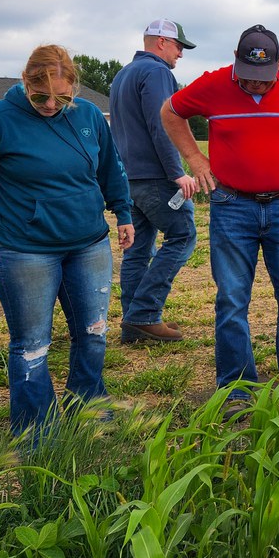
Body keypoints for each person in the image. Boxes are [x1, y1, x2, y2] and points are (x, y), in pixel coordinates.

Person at [0, 45, 134, 439]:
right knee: (32, 344)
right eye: (41, 97)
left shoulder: (87, 117)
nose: (52, 105)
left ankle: (88, 405)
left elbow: (110, 168)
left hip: (88, 244)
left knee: (93, 333)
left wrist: (123, 212)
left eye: (63, 98)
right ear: (25, 82)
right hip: (23, 249)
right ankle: (37, 429)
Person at [161, 24, 279, 403]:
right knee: (231, 301)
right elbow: (171, 112)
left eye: (263, 79)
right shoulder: (212, 84)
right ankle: (237, 391)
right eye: (247, 78)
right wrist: (194, 157)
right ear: (235, 62)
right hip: (231, 206)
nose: (255, 85)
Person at [109, 19, 199, 345]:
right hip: (156, 176)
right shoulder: (158, 72)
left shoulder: (122, 75)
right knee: (183, 236)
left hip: (128, 177)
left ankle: (133, 324)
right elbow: (162, 123)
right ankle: (144, 314)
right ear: (162, 42)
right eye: (179, 47)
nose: (181, 55)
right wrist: (177, 171)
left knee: (138, 249)